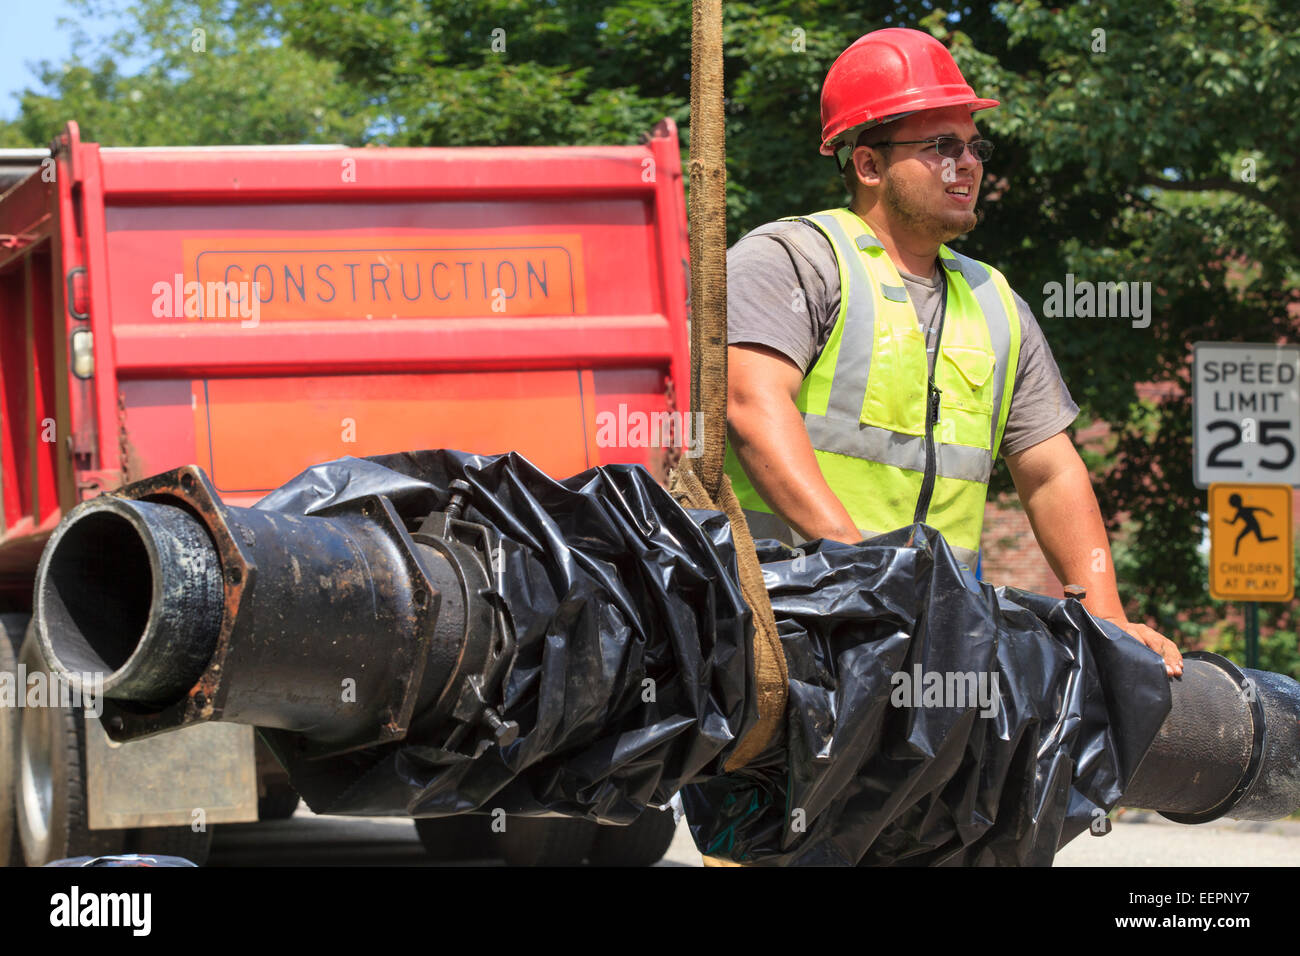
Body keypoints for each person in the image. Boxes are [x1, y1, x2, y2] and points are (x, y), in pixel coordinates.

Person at [723, 27, 1183, 677]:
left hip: (931, 644)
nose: (967, 163)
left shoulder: (995, 303)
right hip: (781, 627)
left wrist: (1106, 617)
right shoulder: (791, 261)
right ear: (869, 165)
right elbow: (750, 406)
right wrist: (863, 573)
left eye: (974, 146)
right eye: (941, 146)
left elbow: (1051, 472)